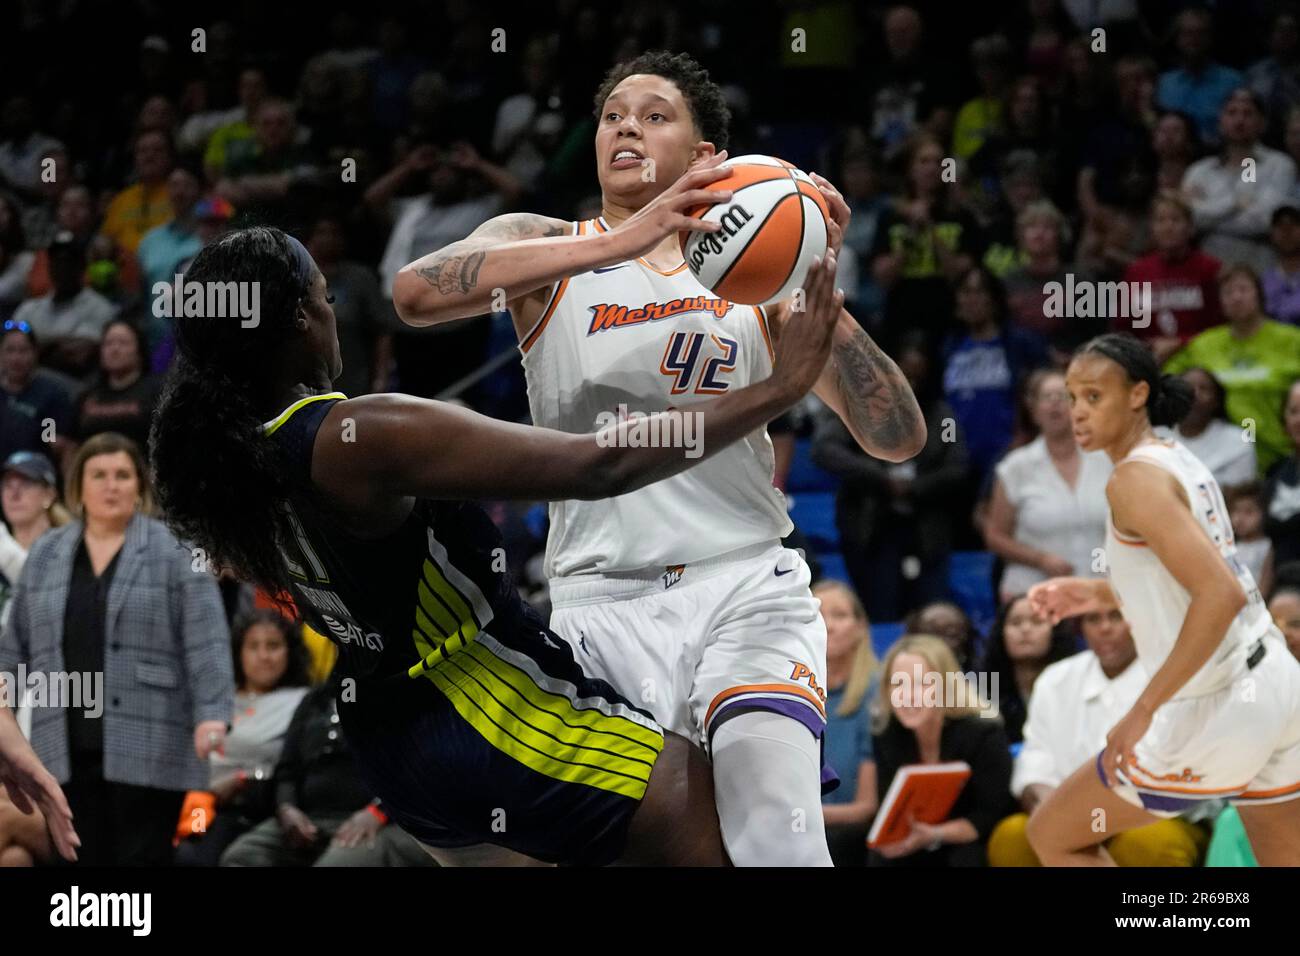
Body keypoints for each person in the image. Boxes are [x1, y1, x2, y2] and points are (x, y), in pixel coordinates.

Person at [146, 224, 847, 867]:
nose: (336, 318)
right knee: (722, 831)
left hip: (394, 751)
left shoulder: (228, 469)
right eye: (326, 299)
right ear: (301, 317)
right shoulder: (358, 435)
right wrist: (780, 386)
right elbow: (596, 464)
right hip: (493, 713)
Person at [391, 50, 926, 867]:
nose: (626, 128)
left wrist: (812, 273)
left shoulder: (756, 277)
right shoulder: (544, 246)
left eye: (654, 114)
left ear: (708, 157)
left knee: (775, 831)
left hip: (743, 581)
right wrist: (625, 240)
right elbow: (416, 294)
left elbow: (897, 438)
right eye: (612, 116)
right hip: (599, 604)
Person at [1026, 333, 1300, 866]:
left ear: (1137, 394)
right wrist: (1097, 591)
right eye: (1072, 396)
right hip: (1278, 687)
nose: (1077, 411)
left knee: (1053, 836)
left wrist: (1143, 709)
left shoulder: (1133, 480)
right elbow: (1199, 577)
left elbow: (1216, 594)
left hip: (1218, 702)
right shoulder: (1177, 458)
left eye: (1093, 396)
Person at [0, 432, 234, 865]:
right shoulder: (48, 552)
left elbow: (207, 640)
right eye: (100, 475)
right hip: (62, 736)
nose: (112, 485)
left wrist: (212, 714)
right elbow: (13, 648)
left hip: (154, 733)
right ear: (78, 488)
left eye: (123, 475)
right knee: (76, 860)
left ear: (140, 487)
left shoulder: (175, 549)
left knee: (141, 857)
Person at [988, 605, 1210, 867]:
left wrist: (1099, 822)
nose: (1105, 628)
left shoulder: (1173, 675)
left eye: (1116, 616)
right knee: (1011, 838)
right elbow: (1036, 762)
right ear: (1081, 627)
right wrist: (1058, 816)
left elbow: (1179, 777)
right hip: (1067, 814)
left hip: (1152, 817)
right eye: (1094, 619)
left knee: (1149, 843)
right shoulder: (1055, 678)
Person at [813, 335, 968, 621]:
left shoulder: (942, 417)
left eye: (917, 376)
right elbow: (825, 450)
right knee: (880, 612)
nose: (910, 383)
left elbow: (957, 467)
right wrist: (881, 479)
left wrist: (915, 488)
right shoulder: (859, 408)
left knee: (931, 615)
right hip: (872, 528)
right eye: (904, 375)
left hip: (927, 528)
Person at [219, 676, 434, 868]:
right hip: (310, 818)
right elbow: (287, 769)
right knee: (241, 856)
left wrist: (380, 811)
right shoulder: (314, 699)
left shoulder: (396, 692)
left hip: (369, 821)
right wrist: (287, 809)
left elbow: (415, 766)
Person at [175, 610, 312, 866]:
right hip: (197, 806)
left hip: (255, 809)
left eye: (273, 646)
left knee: (198, 857)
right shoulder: (217, 701)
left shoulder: (302, 701)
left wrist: (242, 781)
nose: (264, 656)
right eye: (253, 647)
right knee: (180, 852)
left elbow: (294, 767)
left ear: (289, 652)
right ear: (238, 652)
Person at [869, 635, 1014, 866]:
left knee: (965, 859)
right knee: (881, 856)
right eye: (898, 683)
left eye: (921, 683)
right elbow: (890, 809)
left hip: (972, 838)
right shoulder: (887, 735)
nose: (908, 695)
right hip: (916, 839)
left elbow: (991, 813)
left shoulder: (983, 732)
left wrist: (936, 834)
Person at [984, 369, 1113, 603]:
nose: (1055, 404)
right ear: (1033, 411)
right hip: (1034, 594)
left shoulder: (1107, 459)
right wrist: (1040, 559)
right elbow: (995, 536)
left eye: (1063, 396)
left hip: (1099, 591)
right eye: (1047, 397)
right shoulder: (1015, 467)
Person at [1164, 264, 1300, 474]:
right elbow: (1169, 383)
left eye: (1243, 289)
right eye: (1228, 292)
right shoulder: (1204, 344)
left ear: (1260, 295)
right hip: (1222, 460)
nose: (1236, 297)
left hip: (1281, 454)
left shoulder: (1291, 340)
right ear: (1220, 302)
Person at [940, 266, 1048, 485]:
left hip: (1008, 457)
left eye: (979, 292)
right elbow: (945, 409)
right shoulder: (950, 347)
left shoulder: (1019, 344)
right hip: (958, 464)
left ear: (994, 299)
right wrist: (947, 445)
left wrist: (1025, 437)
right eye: (965, 292)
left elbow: (1038, 393)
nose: (971, 300)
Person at [1181, 88, 1296, 267]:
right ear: (1221, 120)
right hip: (1210, 270)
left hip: (1259, 269)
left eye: (1248, 114)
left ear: (1262, 123)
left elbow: (1264, 221)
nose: (1239, 120)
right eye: (1232, 112)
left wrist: (1207, 213)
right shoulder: (1199, 171)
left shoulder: (1279, 165)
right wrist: (1235, 204)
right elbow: (1188, 222)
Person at [815, 580, 879, 867]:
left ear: (861, 628)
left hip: (850, 833)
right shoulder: (785, 695)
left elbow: (866, 808)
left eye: (840, 615)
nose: (828, 625)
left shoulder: (878, 694)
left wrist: (800, 815)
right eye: (817, 614)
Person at [1121, 192, 1221, 363]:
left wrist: (1180, 342)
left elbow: (1221, 329)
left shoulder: (1210, 268)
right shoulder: (1136, 272)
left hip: (1201, 359)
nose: (1168, 227)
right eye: (1160, 220)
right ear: (1152, 228)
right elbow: (1123, 327)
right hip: (1148, 360)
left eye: (1175, 220)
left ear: (1190, 228)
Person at [11, 232, 117, 380]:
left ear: (81, 266)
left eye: (68, 262)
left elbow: (80, 357)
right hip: (27, 388)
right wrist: (55, 345)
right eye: (56, 261)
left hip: (75, 386)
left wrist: (38, 345)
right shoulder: (29, 308)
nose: (62, 268)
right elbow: (13, 346)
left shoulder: (100, 308)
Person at [978, 594, 1077, 744]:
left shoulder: (1077, 682)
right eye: (1015, 623)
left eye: (1037, 621)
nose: (1025, 629)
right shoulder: (984, 688)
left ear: (1056, 631)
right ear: (1000, 633)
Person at [65, 319, 161, 465]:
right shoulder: (87, 395)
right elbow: (71, 444)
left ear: (139, 351)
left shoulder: (157, 391)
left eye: (123, 343)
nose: (115, 349)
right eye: (108, 343)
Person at [0, 450, 70, 626]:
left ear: (49, 494)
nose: (14, 494)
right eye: (8, 484)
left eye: (26, 483)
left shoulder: (68, 548)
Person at [1162, 367, 1256, 487]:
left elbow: (1242, 496)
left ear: (1217, 400)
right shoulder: (1155, 435)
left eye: (1204, 389)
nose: (1194, 395)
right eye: (1187, 388)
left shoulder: (1238, 440)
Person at [0, 320, 73, 465]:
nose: (16, 358)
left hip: (33, 471)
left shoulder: (51, 395)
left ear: (35, 353)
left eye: (23, 351)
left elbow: (52, 442)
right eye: (10, 350)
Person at [1264, 380, 1300, 567]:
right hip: (1281, 580)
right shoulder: (1276, 470)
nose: (1299, 419)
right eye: (1293, 411)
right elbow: (1274, 545)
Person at [1225, 481, 1273, 592]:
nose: (1240, 519)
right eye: (1236, 511)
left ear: (1263, 513)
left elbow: (1265, 584)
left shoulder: (1265, 547)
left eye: (1248, 512)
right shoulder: (1230, 545)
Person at [1260, 203, 1300, 325]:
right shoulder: (1264, 281)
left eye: (1292, 227)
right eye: (1281, 228)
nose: (1287, 234)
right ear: (1272, 234)